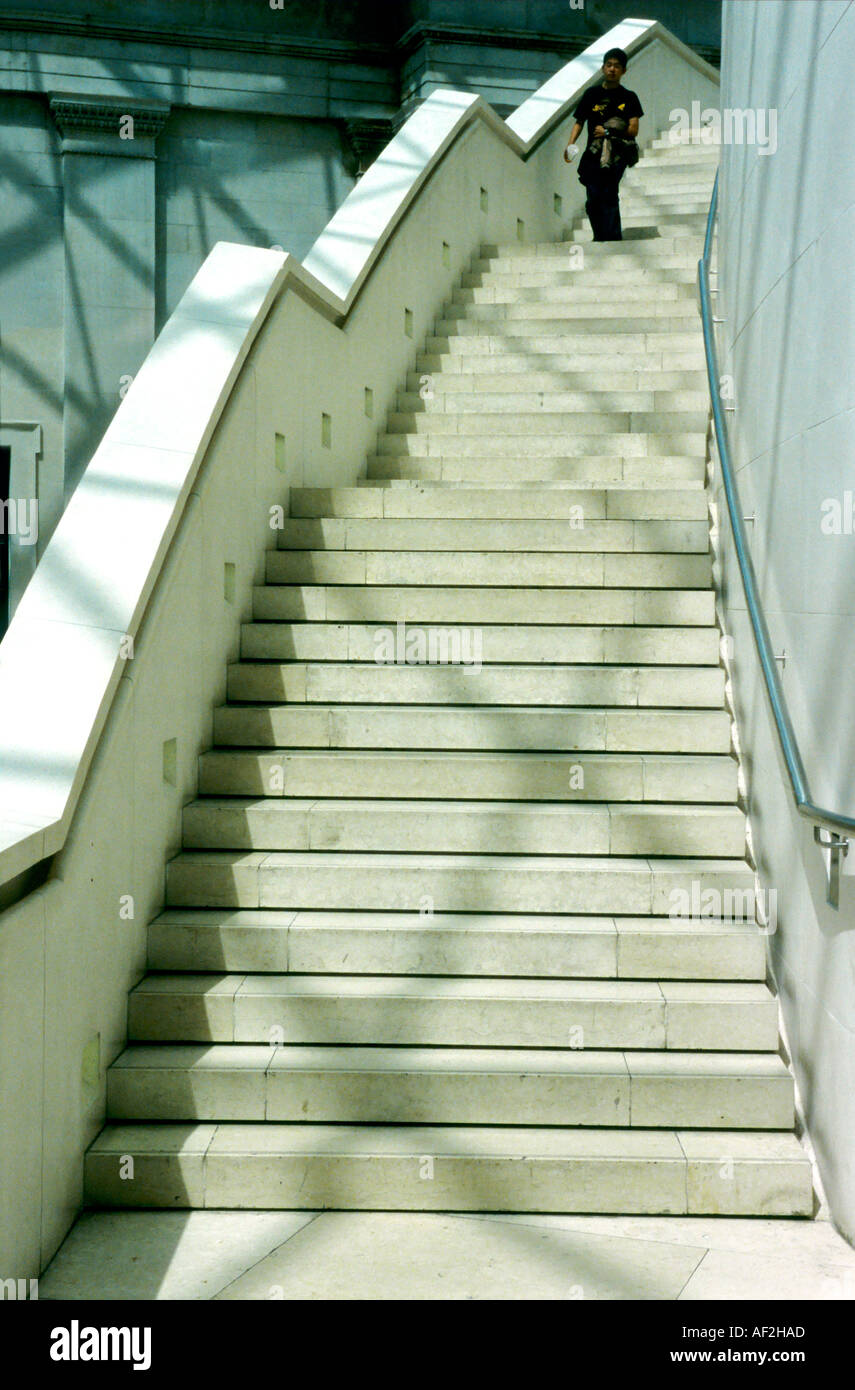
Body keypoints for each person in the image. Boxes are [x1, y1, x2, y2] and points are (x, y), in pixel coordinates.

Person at [563, 48, 643, 241]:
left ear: (624, 70)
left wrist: (609, 132)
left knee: (608, 192)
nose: (612, 69)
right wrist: (570, 145)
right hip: (593, 153)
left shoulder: (629, 97)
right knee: (593, 197)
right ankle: (599, 236)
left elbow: (634, 129)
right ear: (602, 68)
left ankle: (613, 237)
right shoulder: (591, 94)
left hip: (617, 154)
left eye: (617, 66)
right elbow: (579, 122)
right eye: (609, 65)